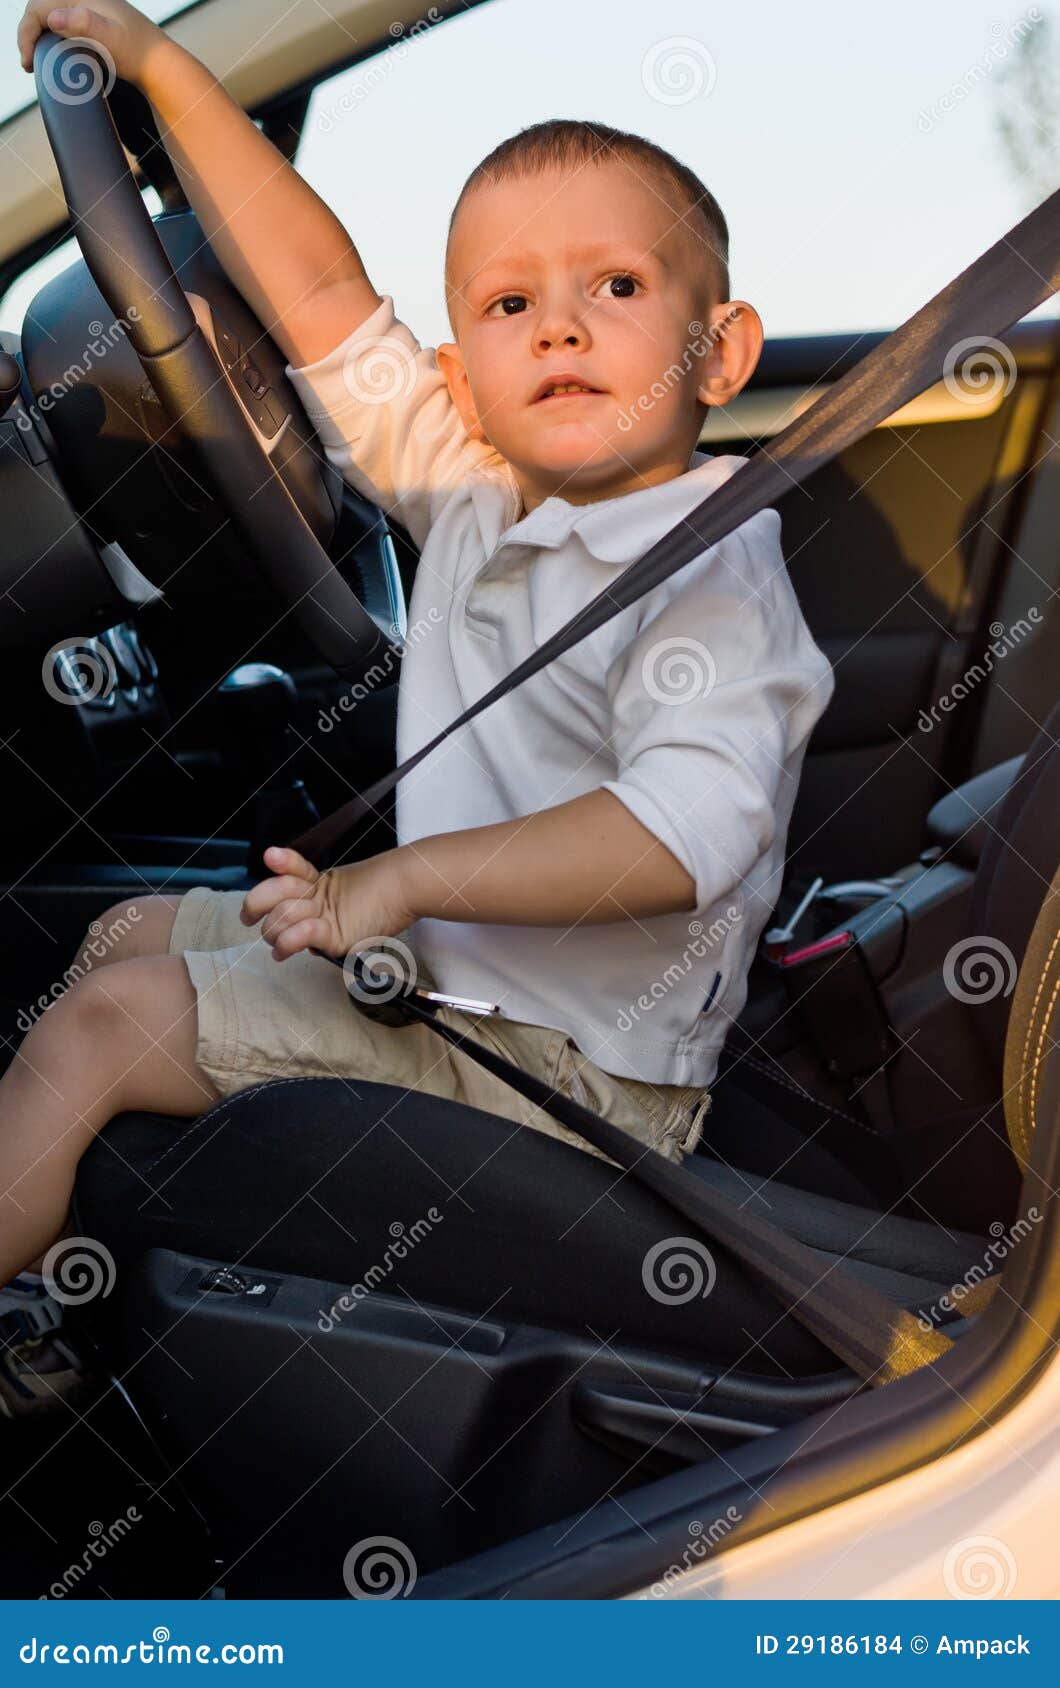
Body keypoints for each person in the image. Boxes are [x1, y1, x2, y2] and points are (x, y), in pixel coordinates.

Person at [3, 1, 834, 1315]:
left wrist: (396, 884)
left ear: (719, 351)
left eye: (616, 287)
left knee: (98, 1028)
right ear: (461, 376)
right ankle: (59, 1312)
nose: (559, 328)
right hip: (464, 971)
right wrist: (163, 65)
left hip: (570, 1072)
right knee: (117, 937)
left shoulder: (709, 575)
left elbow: (674, 840)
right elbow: (319, 290)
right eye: (513, 303)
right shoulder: (468, 492)